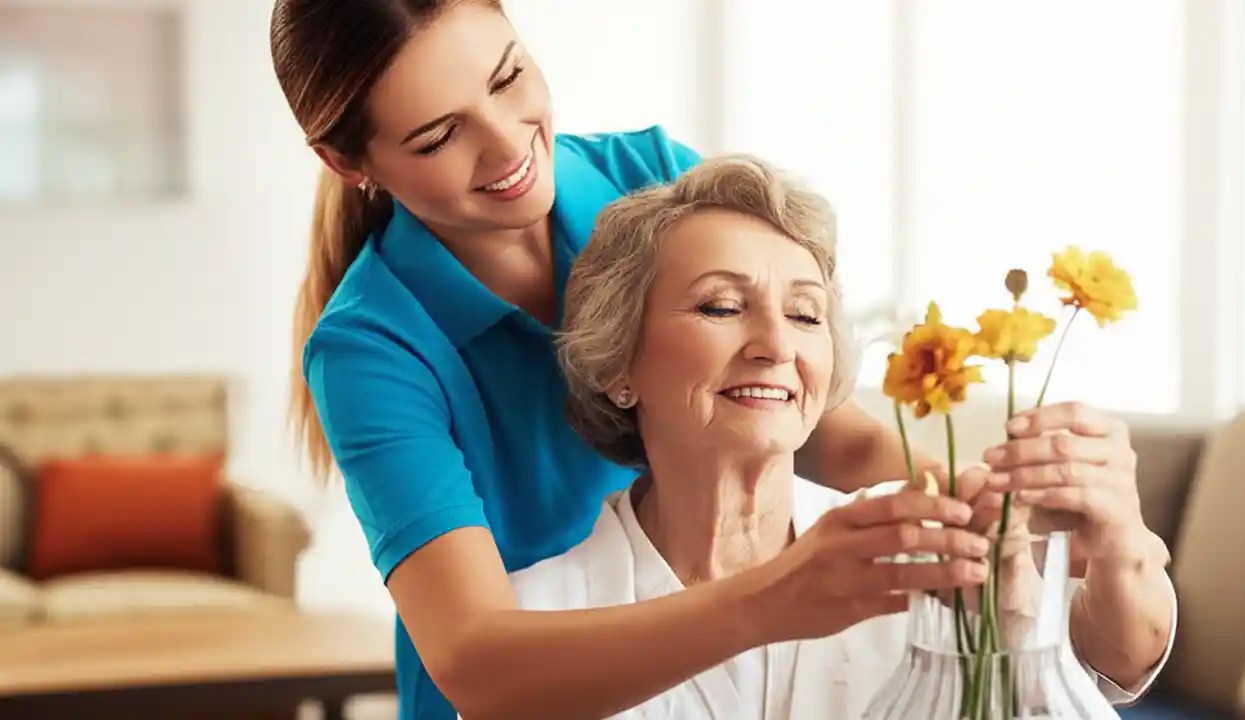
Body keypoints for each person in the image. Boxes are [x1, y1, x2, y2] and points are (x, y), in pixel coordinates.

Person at [267, 2, 1175, 718]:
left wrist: (988, 501)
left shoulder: (653, 181)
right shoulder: (373, 348)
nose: (508, 145)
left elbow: (824, 430)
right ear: (351, 162)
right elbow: (478, 660)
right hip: (535, 691)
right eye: (437, 136)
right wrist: (772, 600)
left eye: (509, 78)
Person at [505, 155, 1175, 718]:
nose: (775, 345)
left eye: (804, 314)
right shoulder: (535, 620)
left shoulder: (921, 551)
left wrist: (1108, 557)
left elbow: (1114, 660)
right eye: (722, 306)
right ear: (620, 364)